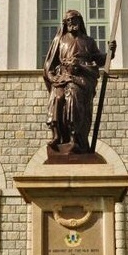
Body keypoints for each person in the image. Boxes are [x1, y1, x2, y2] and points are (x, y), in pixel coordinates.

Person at [43, 10, 116, 153]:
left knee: (72, 97)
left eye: (74, 20)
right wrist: (53, 77)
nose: (71, 23)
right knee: (57, 98)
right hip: (62, 77)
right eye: (68, 21)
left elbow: (101, 59)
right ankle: (57, 136)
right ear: (65, 23)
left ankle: (74, 137)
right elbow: (50, 63)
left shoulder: (88, 41)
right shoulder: (60, 40)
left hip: (82, 78)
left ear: (79, 21)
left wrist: (110, 52)